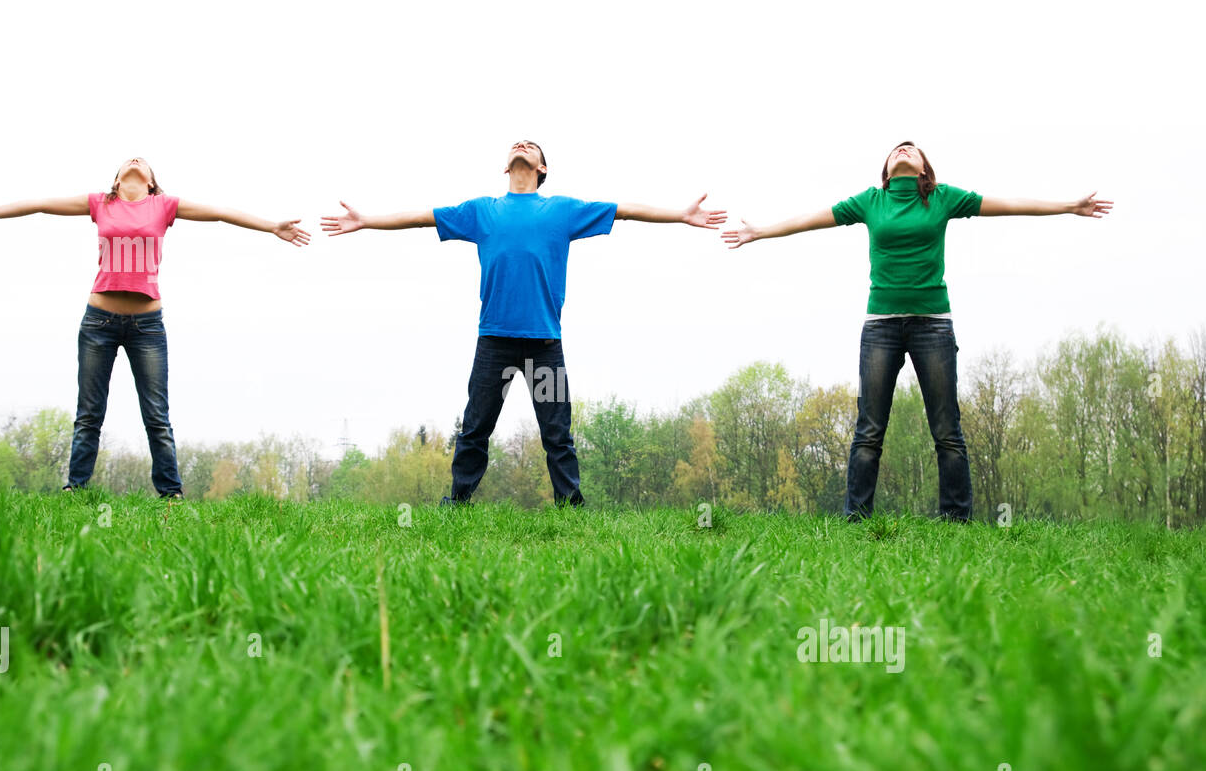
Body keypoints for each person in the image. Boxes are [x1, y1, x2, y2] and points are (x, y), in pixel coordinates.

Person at [722, 141, 1112, 520]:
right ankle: (857, 519)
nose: (902, 150)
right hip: (881, 327)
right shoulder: (870, 202)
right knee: (869, 429)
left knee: (946, 429)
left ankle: (956, 520)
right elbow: (809, 221)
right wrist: (760, 232)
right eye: (896, 149)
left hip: (933, 326)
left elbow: (1009, 205)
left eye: (912, 149)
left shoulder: (942, 198)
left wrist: (1069, 207)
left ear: (924, 168)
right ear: (887, 170)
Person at [322, 140, 725, 505]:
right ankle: (457, 503)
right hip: (494, 343)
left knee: (557, 434)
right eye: (517, 144)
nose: (522, 145)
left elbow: (625, 211)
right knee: (475, 430)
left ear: (542, 169)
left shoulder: (562, 211)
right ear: (505, 168)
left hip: (544, 347)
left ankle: (569, 507)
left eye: (531, 146)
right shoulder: (482, 212)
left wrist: (681, 215)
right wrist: (367, 220)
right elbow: (421, 217)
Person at [0, 157, 310, 497]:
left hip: (147, 326)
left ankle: (171, 494)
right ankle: (77, 489)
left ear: (151, 184)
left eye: (143, 162)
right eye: (127, 162)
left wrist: (271, 226)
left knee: (157, 416)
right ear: (117, 180)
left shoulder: (163, 207)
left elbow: (220, 213)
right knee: (89, 414)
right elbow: (40, 204)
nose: (135, 159)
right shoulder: (100, 203)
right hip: (98, 323)